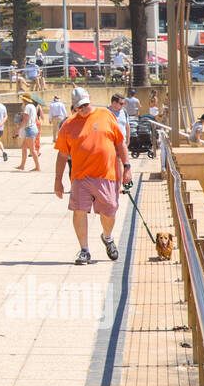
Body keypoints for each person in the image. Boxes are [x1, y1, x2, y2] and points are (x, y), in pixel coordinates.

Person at [54, 86, 130, 265]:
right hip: (80, 176)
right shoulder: (68, 125)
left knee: (109, 210)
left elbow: (120, 143)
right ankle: (84, 250)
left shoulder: (106, 115)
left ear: (90, 101)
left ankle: (108, 237)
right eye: (79, 106)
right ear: (74, 106)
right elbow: (62, 155)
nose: (83, 109)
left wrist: (127, 167)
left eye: (85, 104)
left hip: (107, 174)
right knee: (79, 210)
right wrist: (58, 181)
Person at [17, 92, 40, 171]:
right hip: (32, 128)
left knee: (32, 149)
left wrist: (18, 128)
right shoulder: (32, 106)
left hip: (30, 129)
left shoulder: (27, 107)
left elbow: (25, 119)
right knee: (24, 147)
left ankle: (37, 167)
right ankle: (22, 165)